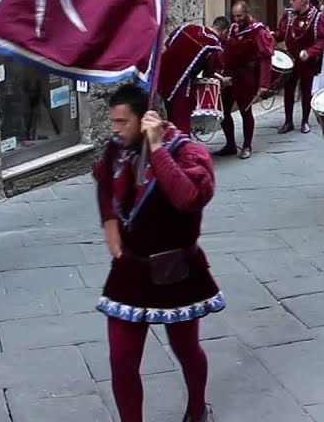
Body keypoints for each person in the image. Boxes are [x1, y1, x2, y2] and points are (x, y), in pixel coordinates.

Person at [95, 85, 224, 422]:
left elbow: (187, 197)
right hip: (131, 270)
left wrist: (156, 148)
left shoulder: (188, 152)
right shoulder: (117, 150)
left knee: (186, 349)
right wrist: (114, 241)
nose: (115, 129)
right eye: (113, 121)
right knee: (121, 359)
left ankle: (197, 408)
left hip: (176, 270)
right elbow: (105, 189)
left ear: (147, 118)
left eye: (123, 122)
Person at [217, 2, 274, 159]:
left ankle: (247, 146)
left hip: (246, 76)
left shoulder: (258, 31)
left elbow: (265, 58)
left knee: (245, 111)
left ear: (247, 13)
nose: (236, 19)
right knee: (223, 110)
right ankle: (230, 144)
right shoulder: (233, 29)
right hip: (230, 76)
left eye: (239, 16)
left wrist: (263, 84)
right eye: (234, 16)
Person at [275, 0, 324, 134]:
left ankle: (305, 121)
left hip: (308, 59)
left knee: (306, 90)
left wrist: (310, 52)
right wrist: (271, 36)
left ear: (303, 1)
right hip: (291, 58)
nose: (290, 2)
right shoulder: (288, 15)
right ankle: (288, 121)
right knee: (288, 88)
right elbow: (281, 33)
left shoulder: (318, 17)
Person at [156, 19, 227, 136]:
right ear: (224, 32)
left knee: (170, 114)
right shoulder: (213, 44)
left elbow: (168, 44)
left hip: (162, 76)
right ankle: (183, 148)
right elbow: (208, 72)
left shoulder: (187, 27)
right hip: (181, 82)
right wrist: (222, 79)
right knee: (181, 118)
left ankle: (171, 144)